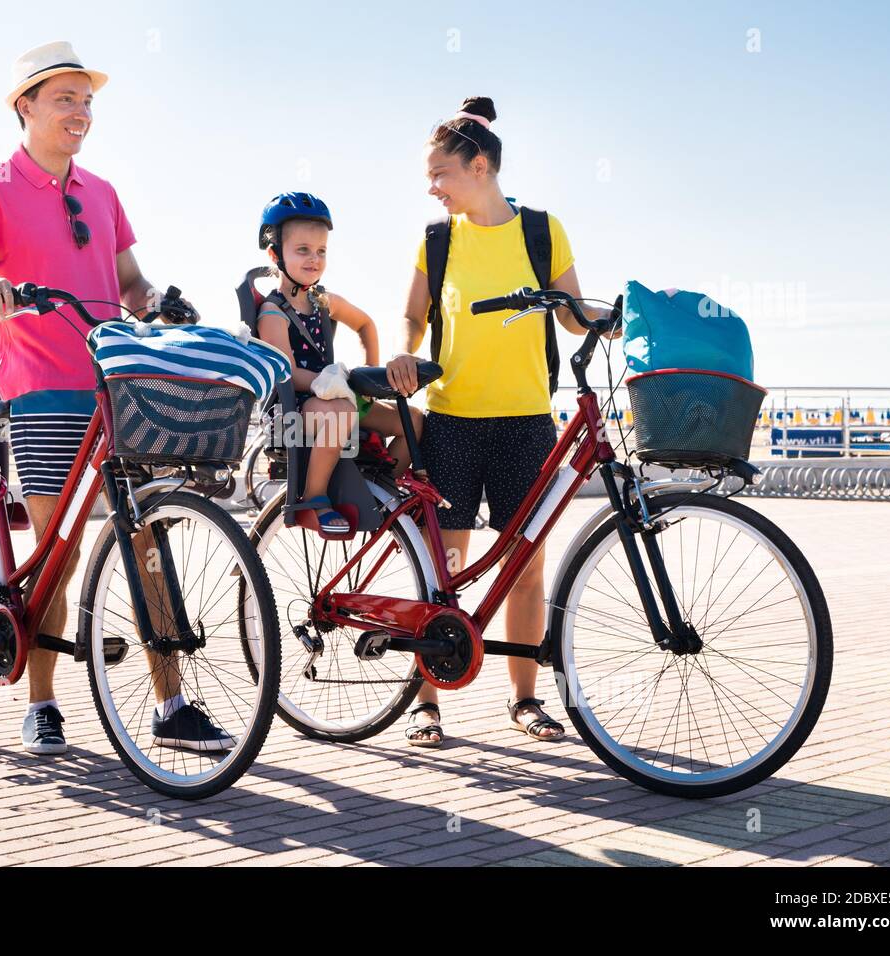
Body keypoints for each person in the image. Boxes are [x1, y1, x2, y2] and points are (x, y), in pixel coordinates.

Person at [0, 41, 233, 757]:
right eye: (65, 98)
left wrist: (156, 302)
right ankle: (41, 704)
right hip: (40, 390)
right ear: (25, 106)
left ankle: (171, 703)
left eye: (87, 100)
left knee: (148, 537)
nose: (81, 112)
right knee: (54, 553)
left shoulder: (102, 191)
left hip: (115, 383)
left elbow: (129, 281)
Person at [385, 96, 618, 747]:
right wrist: (405, 348)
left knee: (526, 565)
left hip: (527, 424)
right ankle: (426, 703)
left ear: (479, 166)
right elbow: (413, 315)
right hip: (453, 420)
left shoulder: (542, 232)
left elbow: (570, 312)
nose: (432, 188)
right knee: (445, 570)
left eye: (441, 174)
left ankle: (525, 700)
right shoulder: (437, 239)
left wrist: (603, 320)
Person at [253, 192, 423, 534]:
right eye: (302, 250)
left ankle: (382, 492)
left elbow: (366, 325)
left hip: (335, 397)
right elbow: (286, 373)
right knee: (342, 412)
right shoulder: (273, 312)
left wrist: (369, 383)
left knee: (414, 422)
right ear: (275, 254)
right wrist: (327, 382)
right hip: (294, 410)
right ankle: (314, 498)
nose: (314, 259)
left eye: (321, 251)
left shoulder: (322, 300)